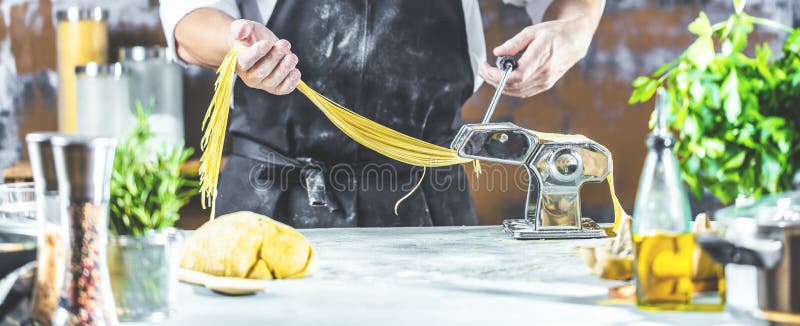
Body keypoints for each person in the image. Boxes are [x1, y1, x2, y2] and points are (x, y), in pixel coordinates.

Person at [160, 0, 604, 228]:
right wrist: (235, 43)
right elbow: (187, 20)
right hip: (270, 203)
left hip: (426, 206)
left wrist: (573, 32)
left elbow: (576, 7)